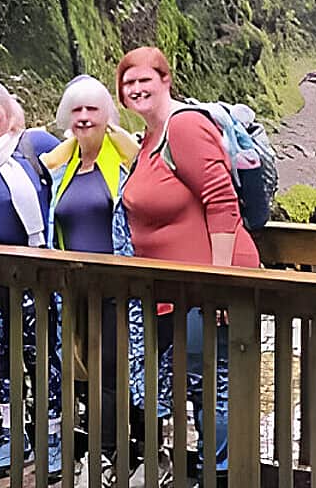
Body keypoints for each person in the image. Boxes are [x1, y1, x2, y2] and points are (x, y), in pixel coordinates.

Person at [116, 47, 260, 476]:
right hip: (175, 291)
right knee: (195, 382)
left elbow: (222, 201)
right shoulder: (148, 139)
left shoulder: (184, 126)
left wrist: (216, 280)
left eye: (145, 79)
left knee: (213, 384)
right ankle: (210, 470)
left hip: (206, 285)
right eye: (128, 83)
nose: (137, 88)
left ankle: (222, 474)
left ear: (166, 81)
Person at [40, 75, 150, 472]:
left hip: (120, 286)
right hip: (73, 288)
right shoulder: (61, 164)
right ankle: (116, 453)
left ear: (108, 115)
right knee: (85, 370)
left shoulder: (126, 160)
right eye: (77, 110)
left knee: (114, 369)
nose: (84, 117)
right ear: (66, 116)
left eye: (92, 109)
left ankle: (107, 455)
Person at [0, 77, 63, 477]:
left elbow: (79, 170)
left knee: (43, 358)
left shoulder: (34, 144)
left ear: (8, 111)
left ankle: (52, 436)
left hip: (35, 272)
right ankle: (7, 433)